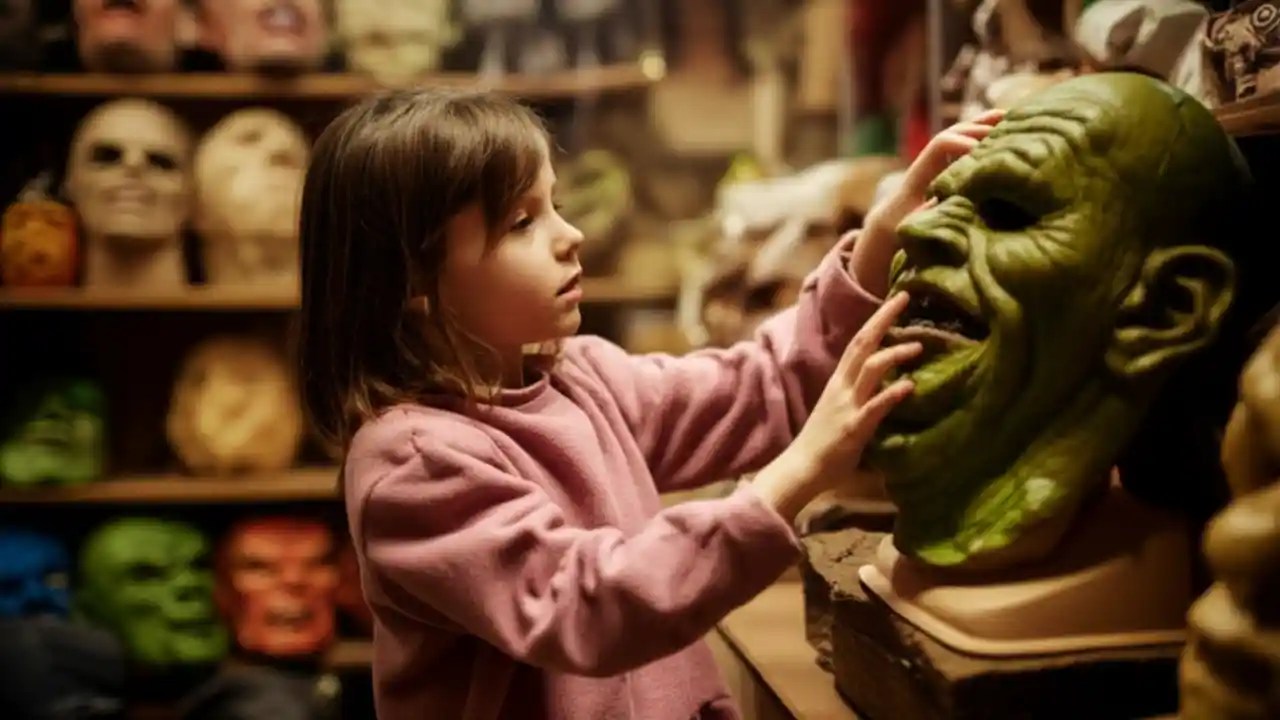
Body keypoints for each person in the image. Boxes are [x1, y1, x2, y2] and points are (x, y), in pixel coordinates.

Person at [295, 87, 1003, 720]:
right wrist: (798, 473)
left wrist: (878, 243)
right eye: (521, 222)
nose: (570, 237)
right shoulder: (413, 467)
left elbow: (754, 387)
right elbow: (590, 607)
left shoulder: (583, 378)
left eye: (555, 206)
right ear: (413, 283)